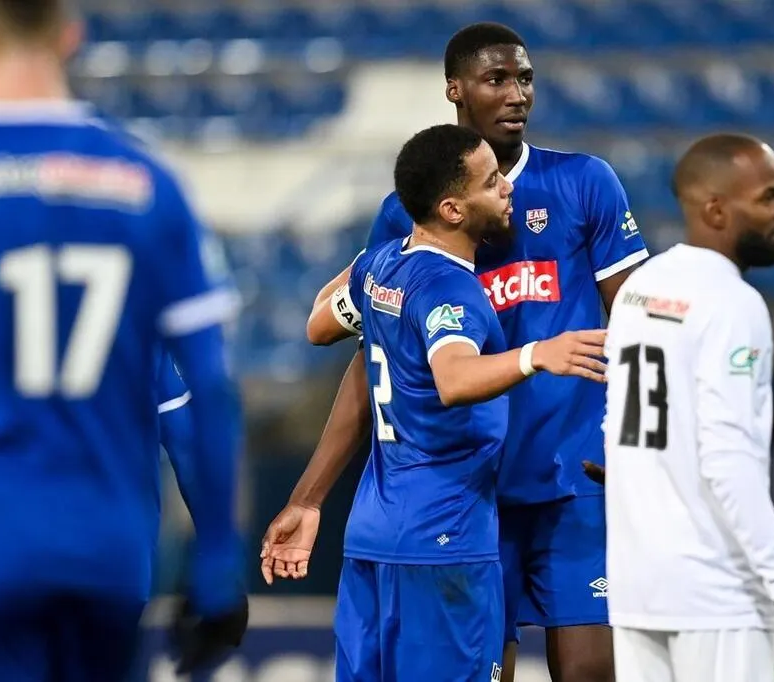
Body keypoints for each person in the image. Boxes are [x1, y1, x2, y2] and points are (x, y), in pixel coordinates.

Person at [263, 23, 648, 682]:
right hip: (471, 494)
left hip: (573, 478)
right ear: (455, 89)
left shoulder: (586, 183)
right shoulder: (408, 217)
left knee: (590, 672)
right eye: (497, 79)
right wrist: (311, 493)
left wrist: (642, 452)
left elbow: (643, 331)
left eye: (524, 77)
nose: (517, 93)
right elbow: (362, 351)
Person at [0, 0, 248, 679]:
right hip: (108, 554)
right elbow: (209, 393)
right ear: (70, 32)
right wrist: (218, 561)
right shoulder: (151, 185)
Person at [297, 123, 609, 681]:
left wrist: (369, 270)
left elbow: (319, 323)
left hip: (373, 532)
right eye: (492, 183)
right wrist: (538, 353)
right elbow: (455, 377)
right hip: (445, 536)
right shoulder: (453, 290)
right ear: (453, 209)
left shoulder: (382, 265)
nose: (509, 188)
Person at [593, 133, 774, 682]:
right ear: (716, 210)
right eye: (768, 196)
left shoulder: (641, 287)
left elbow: (615, 424)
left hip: (637, 587)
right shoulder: (733, 304)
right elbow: (727, 460)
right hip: (716, 593)